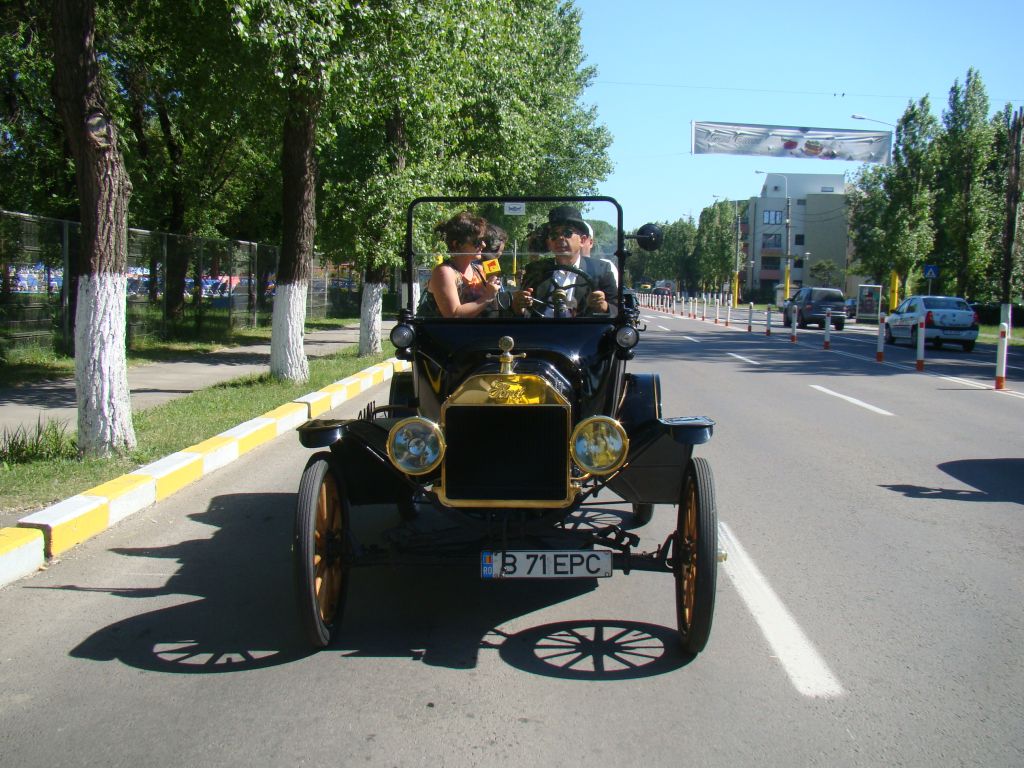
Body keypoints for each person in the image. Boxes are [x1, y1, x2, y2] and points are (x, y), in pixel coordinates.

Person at [513, 205, 618, 317]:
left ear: (582, 240)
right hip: (542, 332)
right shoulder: (535, 270)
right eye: (554, 235)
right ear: (549, 243)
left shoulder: (601, 270)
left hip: (584, 333)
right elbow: (522, 314)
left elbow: (617, 310)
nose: (560, 238)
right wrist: (518, 306)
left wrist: (603, 306)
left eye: (567, 233)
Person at [418, 211, 500, 318]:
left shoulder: (480, 270)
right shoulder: (445, 272)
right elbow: (453, 315)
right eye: (477, 241)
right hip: (449, 334)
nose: (483, 245)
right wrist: (488, 296)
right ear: (457, 244)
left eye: (483, 240)